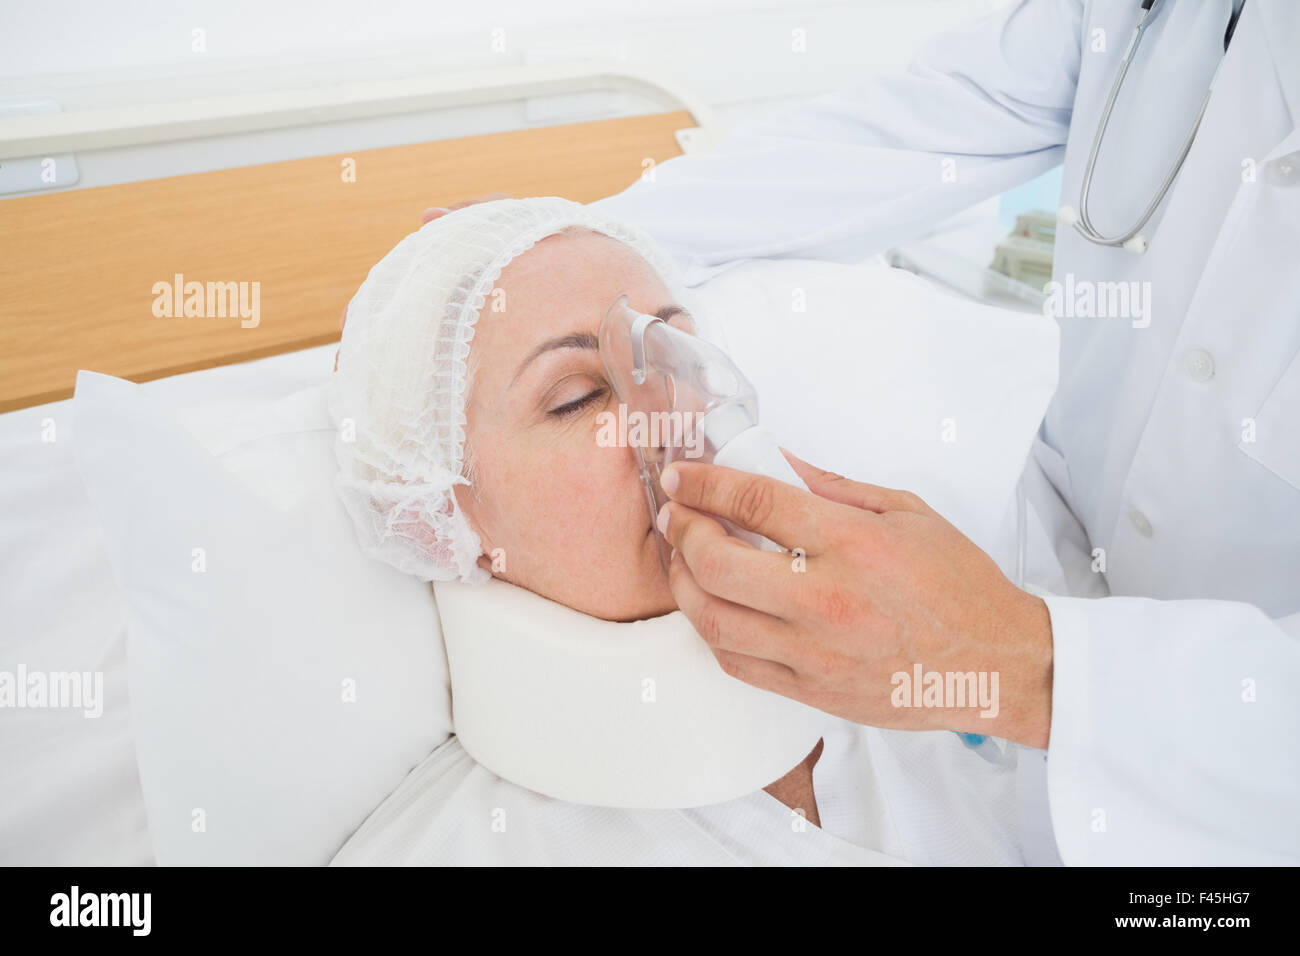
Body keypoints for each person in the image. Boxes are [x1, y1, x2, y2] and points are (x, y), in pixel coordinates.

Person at [574, 0, 1300, 865]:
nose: (662, 422)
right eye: (573, 393)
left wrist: (1022, 664)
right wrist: (568, 234)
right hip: (1069, 588)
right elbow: (914, 126)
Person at [328, 196, 1024, 865]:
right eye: (576, 395)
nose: (679, 411)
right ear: (435, 512)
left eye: (681, 353)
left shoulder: (951, 679)